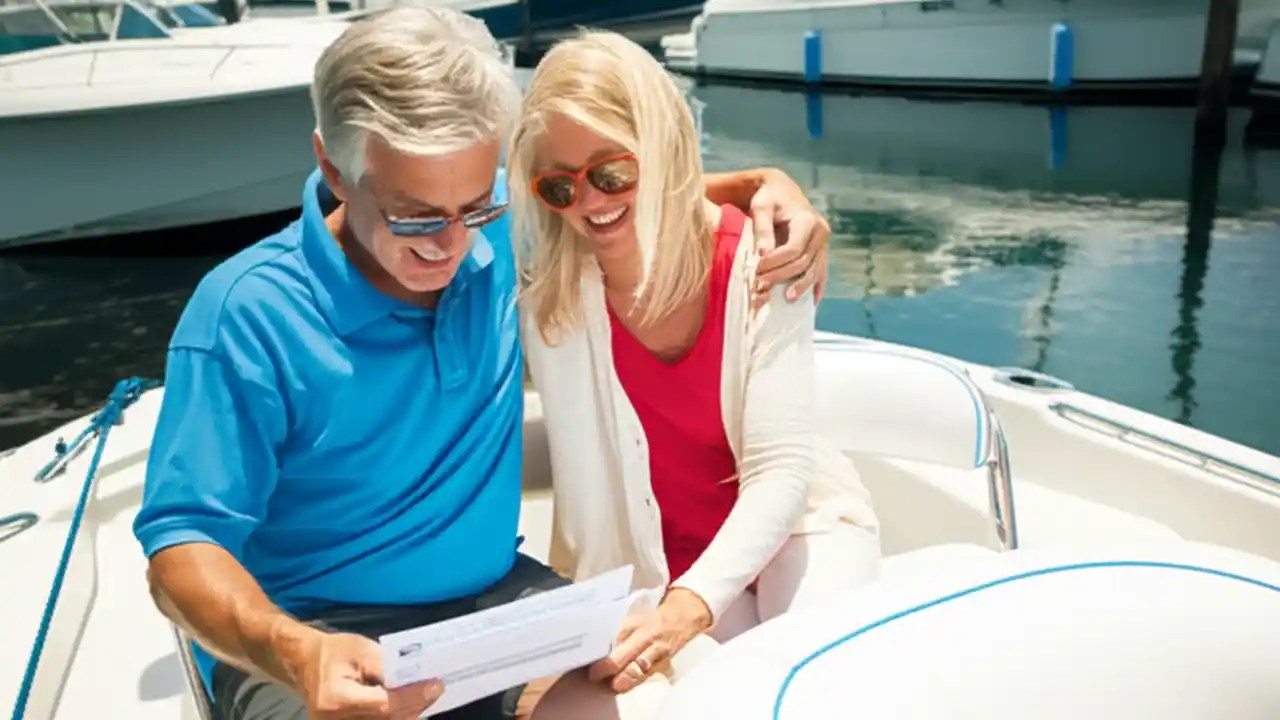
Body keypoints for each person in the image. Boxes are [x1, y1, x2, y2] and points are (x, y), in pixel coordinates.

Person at [131, 7, 834, 720]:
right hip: (316, 634)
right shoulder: (244, 314)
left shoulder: (497, 231)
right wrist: (294, 651)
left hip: (497, 609)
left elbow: (610, 193)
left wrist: (763, 185)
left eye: (475, 208)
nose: (450, 246)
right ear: (332, 170)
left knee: (660, 700)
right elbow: (180, 552)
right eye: (414, 217)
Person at [507, 31, 882, 718]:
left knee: (800, 690)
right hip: (655, 565)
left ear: (661, 146)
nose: (590, 202)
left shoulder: (766, 259)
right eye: (559, 184)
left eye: (612, 172)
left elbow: (780, 472)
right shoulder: (552, 304)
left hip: (800, 532)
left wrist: (687, 609)